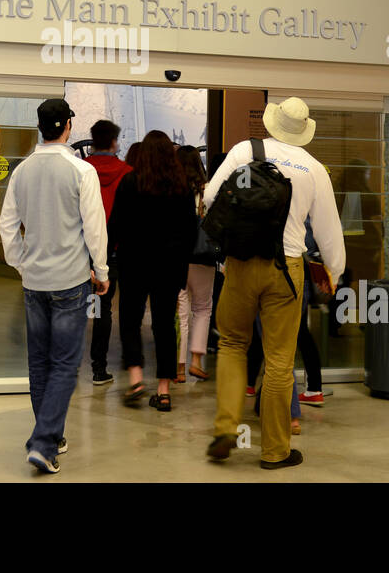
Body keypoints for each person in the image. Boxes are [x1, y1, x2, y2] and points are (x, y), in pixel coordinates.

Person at [203, 97, 345, 469]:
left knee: (233, 343)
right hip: (287, 269)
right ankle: (275, 450)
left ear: (272, 124)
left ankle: (226, 429)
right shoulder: (313, 169)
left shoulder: (243, 152)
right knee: (280, 360)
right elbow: (329, 232)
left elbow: (208, 196)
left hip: (239, 263)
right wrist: (335, 272)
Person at [0, 98, 109, 475]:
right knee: (64, 364)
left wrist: (20, 262)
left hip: (34, 282)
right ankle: (44, 443)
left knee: (39, 362)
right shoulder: (81, 170)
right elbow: (95, 228)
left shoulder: (22, 171)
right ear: (66, 128)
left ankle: (52, 434)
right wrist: (103, 270)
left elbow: (7, 226)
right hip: (71, 282)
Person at [109, 131, 196, 413]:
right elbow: (190, 233)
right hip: (169, 266)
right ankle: (163, 390)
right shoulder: (181, 187)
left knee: (130, 321)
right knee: (163, 326)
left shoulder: (130, 182)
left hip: (134, 263)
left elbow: (116, 225)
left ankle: (135, 379)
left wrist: (106, 260)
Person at [84, 120, 132, 386]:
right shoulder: (127, 173)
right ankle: (99, 368)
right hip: (114, 251)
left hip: (80, 251)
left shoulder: (81, 170)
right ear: (114, 142)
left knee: (72, 307)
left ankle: (64, 365)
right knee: (104, 309)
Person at [176, 145, 216, 383]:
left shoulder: (172, 188)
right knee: (202, 308)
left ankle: (179, 368)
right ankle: (197, 362)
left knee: (180, 312)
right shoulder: (208, 190)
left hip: (178, 257)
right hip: (203, 256)